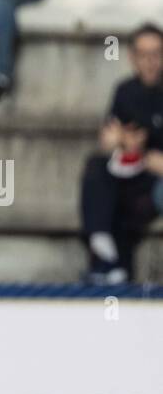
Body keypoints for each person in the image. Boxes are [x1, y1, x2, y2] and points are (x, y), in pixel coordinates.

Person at [81, 23, 163, 284]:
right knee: (98, 169)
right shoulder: (125, 91)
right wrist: (121, 142)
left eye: (156, 54)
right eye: (144, 54)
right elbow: (111, 137)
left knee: (124, 203)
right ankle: (102, 246)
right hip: (134, 170)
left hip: (155, 180)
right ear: (132, 57)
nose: (150, 62)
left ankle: (110, 263)